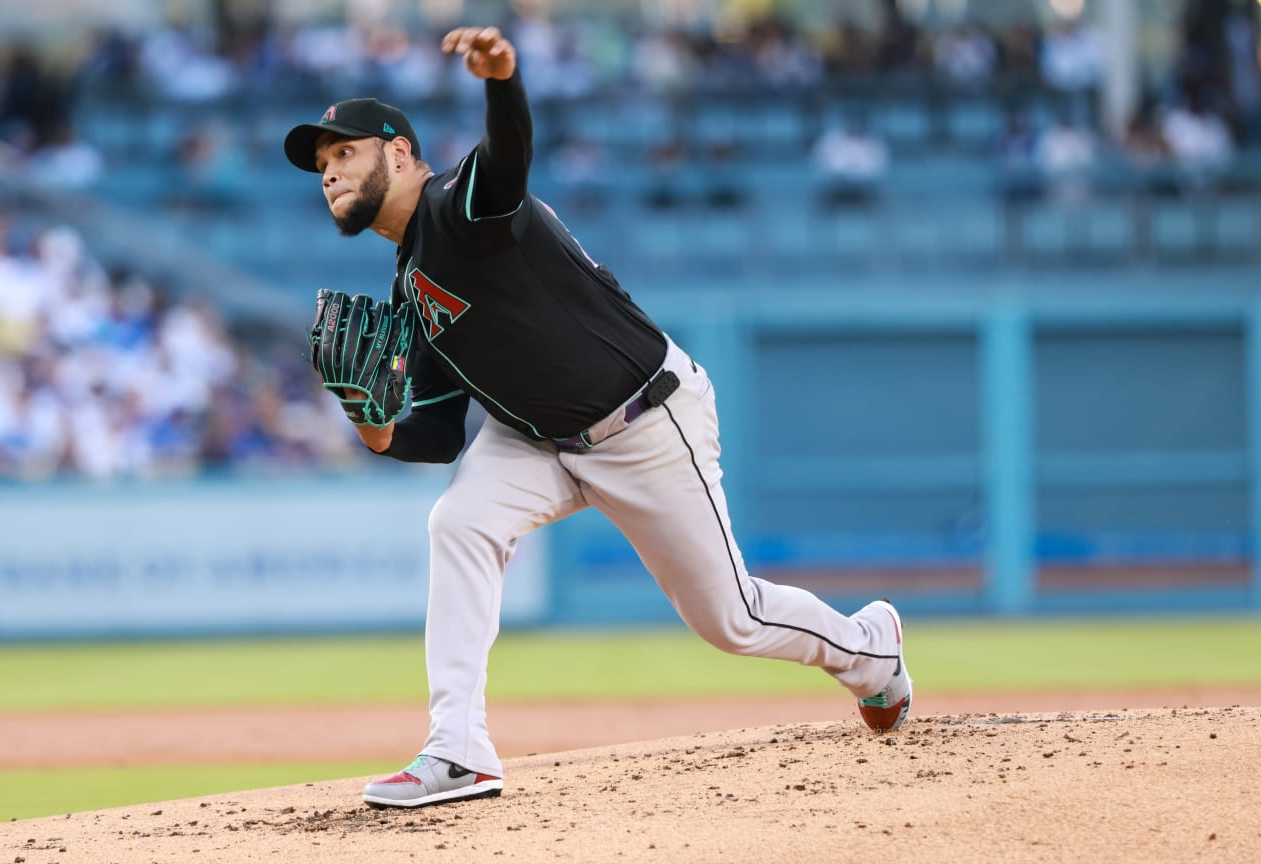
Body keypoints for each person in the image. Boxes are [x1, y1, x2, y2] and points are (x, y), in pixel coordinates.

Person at [281, 25, 912, 811]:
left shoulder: (458, 207)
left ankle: (869, 648)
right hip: (535, 439)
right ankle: (458, 750)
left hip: (642, 420)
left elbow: (507, 157)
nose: (330, 171)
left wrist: (502, 79)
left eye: (345, 152)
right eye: (321, 163)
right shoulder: (410, 283)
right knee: (460, 523)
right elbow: (439, 435)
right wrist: (376, 432)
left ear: (401, 154)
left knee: (732, 620)